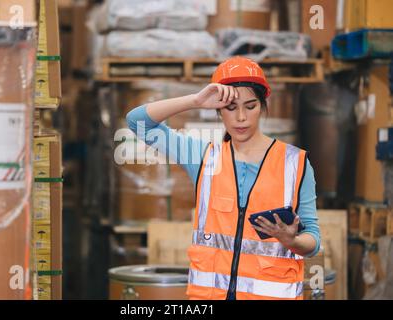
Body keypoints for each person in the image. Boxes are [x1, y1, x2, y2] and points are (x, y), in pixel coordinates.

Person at [126, 56, 320, 300]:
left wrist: (292, 241)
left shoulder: (295, 163)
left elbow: (313, 240)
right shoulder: (202, 158)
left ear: (263, 106)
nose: (241, 117)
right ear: (218, 109)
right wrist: (195, 101)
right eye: (230, 108)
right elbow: (138, 123)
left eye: (250, 106)